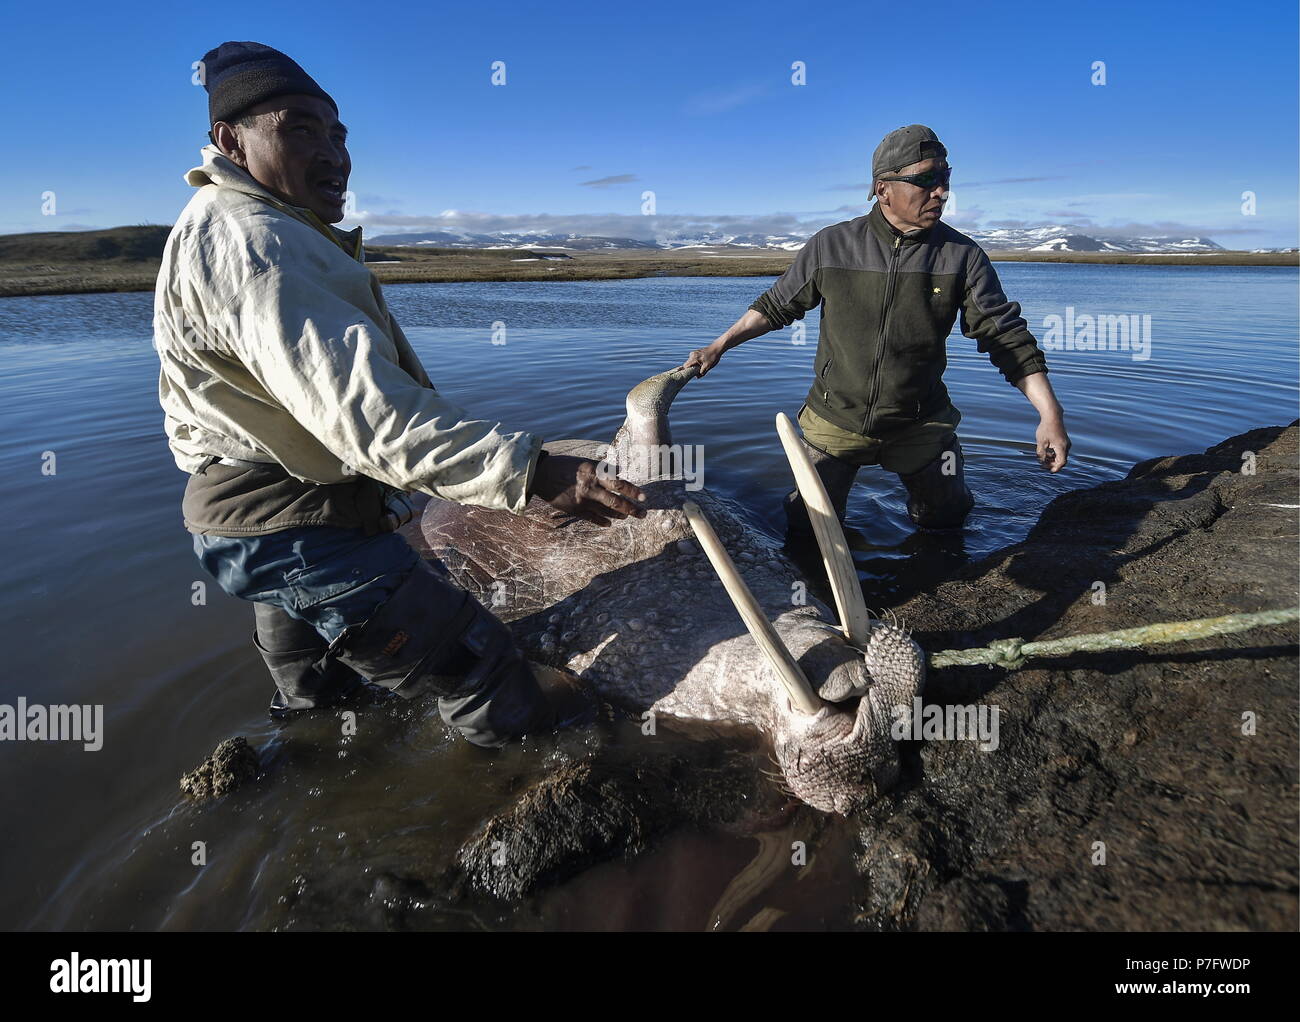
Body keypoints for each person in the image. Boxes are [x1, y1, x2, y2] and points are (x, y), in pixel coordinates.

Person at [154, 42, 646, 745]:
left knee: (318, 701)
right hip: (301, 530)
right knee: (482, 670)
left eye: (337, 133)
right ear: (230, 140)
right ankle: (513, 817)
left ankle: (294, 767)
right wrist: (532, 470)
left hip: (248, 525)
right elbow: (371, 420)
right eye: (298, 129)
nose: (332, 153)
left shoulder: (224, 226)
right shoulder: (258, 240)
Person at [684, 124, 1070, 539]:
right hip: (834, 420)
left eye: (945, 178)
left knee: (947, 522)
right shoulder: (831, 246)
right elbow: (777, 305)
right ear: (883, 188)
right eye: (925, 180)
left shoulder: (963, 256)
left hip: (921, 423)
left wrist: (1050, 414)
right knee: (809, 531)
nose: (940, 191)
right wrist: (719, 345)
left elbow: (1005, 336)